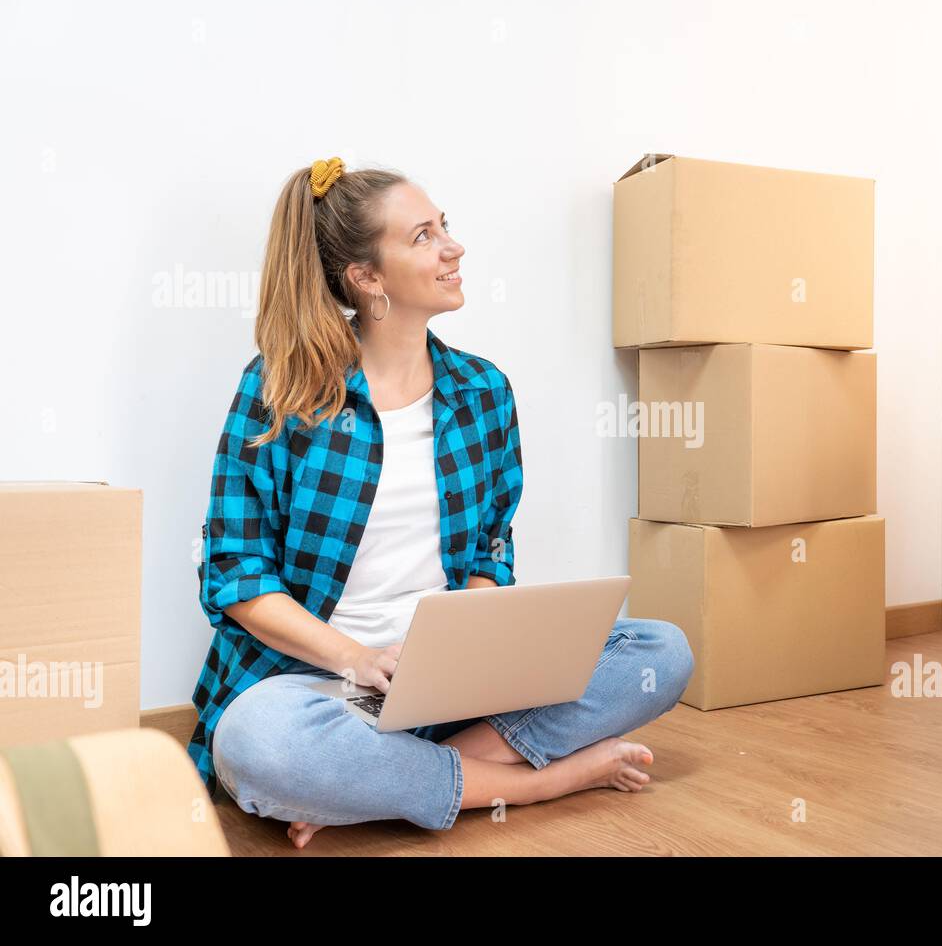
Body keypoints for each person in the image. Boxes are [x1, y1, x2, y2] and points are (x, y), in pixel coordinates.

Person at [189, 157, 694, 849]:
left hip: (446, 692)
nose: (453, 247)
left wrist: (475, 627)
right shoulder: (281, 389)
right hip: (316, 688)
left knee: (660, 650)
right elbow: (236, 576)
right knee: (258, 743)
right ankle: (538, 782)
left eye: (445, 227)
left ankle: (380, 786)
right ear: (366, 278)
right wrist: (357, 659)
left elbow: (491, 544)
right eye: (424, 235)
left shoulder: (483, 391)